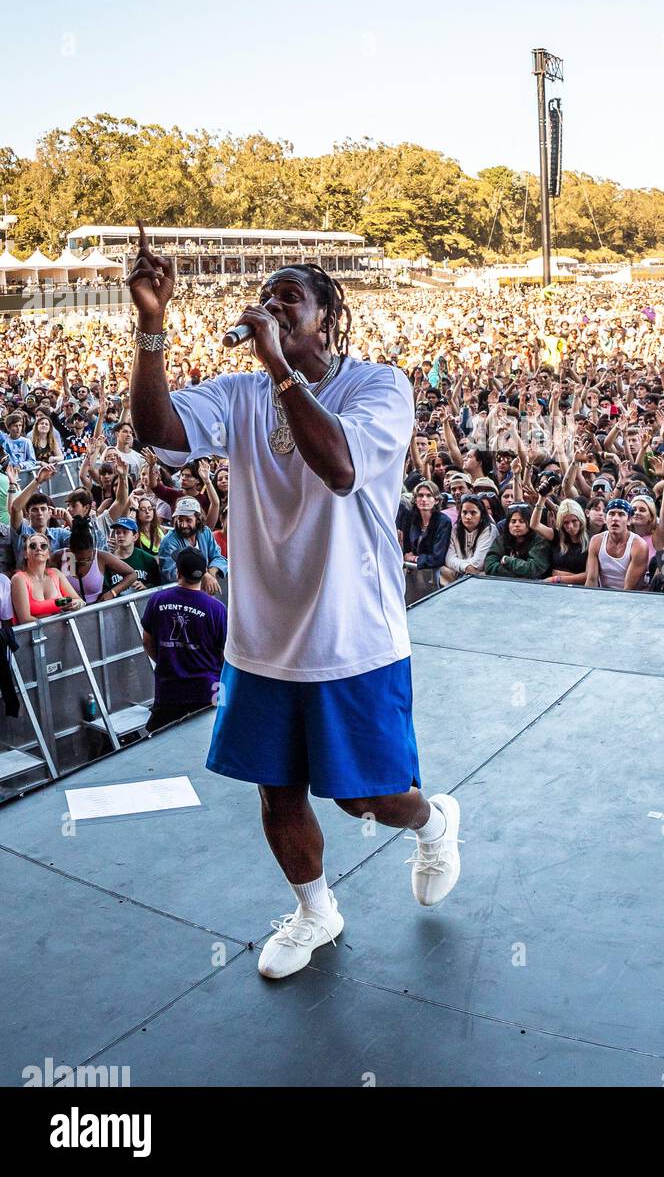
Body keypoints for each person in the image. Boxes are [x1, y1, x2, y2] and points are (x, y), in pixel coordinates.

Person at [128, 224, 461, 983]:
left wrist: (279, 367)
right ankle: (315, 910)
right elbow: (158, 431)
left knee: (365, 800)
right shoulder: (243, 394)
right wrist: (153, 326)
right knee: (277, 794)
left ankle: (434, 822)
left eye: (291, 299)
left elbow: (339, 467)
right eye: (266, 299)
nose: (273, 309)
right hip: (261, 641)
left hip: (353, 638)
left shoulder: (380, 386)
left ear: (328, 318)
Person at [141, 546, 228, 732]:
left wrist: (168, 661)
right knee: (211, 739)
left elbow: (147, 642)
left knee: (160, 744)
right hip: (209, 687)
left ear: (177, 572)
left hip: (169, 687)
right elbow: (225, 653)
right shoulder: (217, 608)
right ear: (204, 573)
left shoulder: (157, 600)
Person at [55, 517, 139, 606]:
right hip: (69, 614)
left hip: (98, 610)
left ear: (93, 549)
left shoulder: (101, 556)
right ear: (71, 550)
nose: (83, 562)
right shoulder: (60, 557)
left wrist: (112, 592)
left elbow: (132, 574)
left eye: (88, 558)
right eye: (78, 559)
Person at [10, 534, 86, 623]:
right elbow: (25, 619)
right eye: (33, 546)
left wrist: (77, 604)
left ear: (48, 554)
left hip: (65, 631)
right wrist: (53, 628)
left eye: (43, 546)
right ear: (25, 554)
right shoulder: (19, 579)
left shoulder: (56, 573)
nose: (38, 549)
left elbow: (80, 600)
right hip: (36, 635)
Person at [157, 497, 227, 593]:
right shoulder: (169, 542)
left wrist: (211, 573)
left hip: (202, 592)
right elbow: (170, 574)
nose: (183, 525)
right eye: (180, 520)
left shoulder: (205, 532)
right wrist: (203, 575)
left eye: (188, 520)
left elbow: (219, 558)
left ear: (198, 519)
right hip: (179, 594)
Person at [585, 498, 649, 591]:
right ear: (605, 519)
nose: (615, 518)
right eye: (611, 514)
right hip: (603, 595)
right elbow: (591, 580)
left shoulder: (639, 546)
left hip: (631, 597)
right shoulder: (596, 541)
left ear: (629, 520)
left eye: (621, 514)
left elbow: (630, 589)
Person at [485, 502, 553, 580]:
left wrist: (508, 561)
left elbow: (533, 569)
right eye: (513, 521)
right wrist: (519, 574)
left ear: (530, 522)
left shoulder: (540, 541)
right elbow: (490, 566)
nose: (517, 525)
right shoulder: (502, 540)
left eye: (522, 521)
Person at [440, 492, 496, 583]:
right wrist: (466, 567)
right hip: (460, 573)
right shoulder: (455, 529)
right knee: (442, 569)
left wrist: (463, 567)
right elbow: (449, 558)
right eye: (464, 512)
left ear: (481, 515)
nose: (468, 517)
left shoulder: (490, 530)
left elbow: (478, 563)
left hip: (481, 579)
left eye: (473, 513)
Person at [105, 516, 163, 591]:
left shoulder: (148, 559)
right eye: (117, 532)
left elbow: (158, 584)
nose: (120, 535)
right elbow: (104, 590)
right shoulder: (107, 561)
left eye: (125, 532)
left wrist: (146, 587)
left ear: (135, 536)